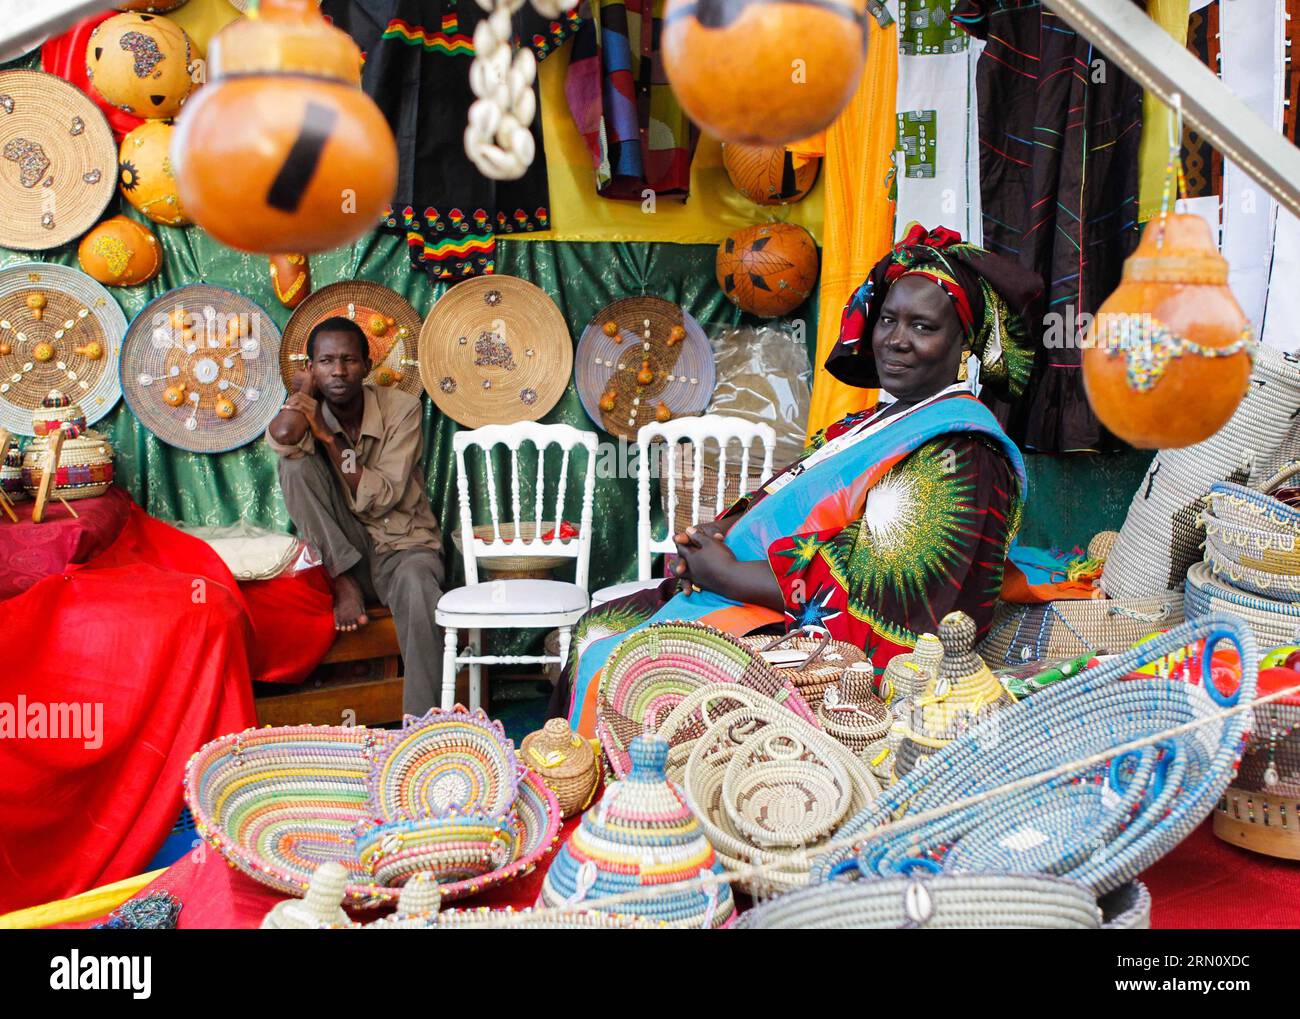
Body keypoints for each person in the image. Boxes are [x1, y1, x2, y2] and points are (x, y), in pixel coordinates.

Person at [554, 224, 1044, 736]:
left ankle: (635, 804)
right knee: (599, 623)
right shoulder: (868, 423)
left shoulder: (962, 453)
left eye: (923, 327)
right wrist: (717, 536)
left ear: (963, 342)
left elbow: (884, 599)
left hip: (819, 640)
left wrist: (727, 574)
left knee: (616, 659)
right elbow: (784, 494)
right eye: (889, 321)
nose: (896, 340)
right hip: (752, 594)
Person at [266, 316, 446, 717]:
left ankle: (423, 728)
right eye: (326, 361)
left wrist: (327, 438)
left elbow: (382, 496)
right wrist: (303, 395)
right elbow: (282, 437)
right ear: (311, 368)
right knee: (294, 467)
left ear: (367, 366)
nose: (339, 371)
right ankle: (343, 580)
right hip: (347, 554)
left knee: (419, 586)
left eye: (349, 360)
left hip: (403, 546)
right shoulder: (306, 407)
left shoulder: (401, 409)